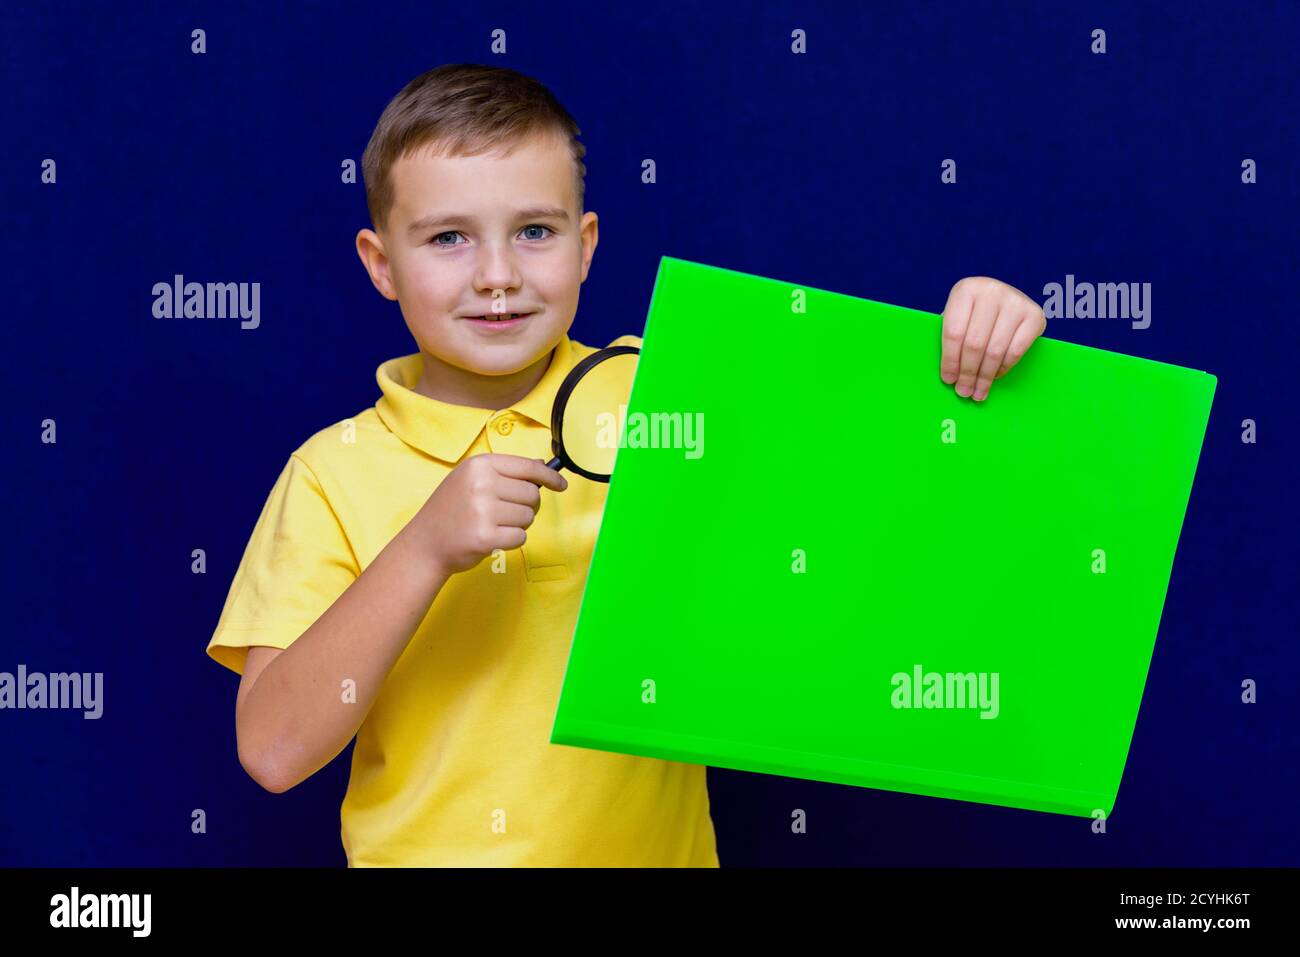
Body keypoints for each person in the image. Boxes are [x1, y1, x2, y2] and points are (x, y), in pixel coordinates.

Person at [205, 62, 1047, 867]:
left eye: (534, 231)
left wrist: (971, 337)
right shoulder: (331, 472)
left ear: (586, 244)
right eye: (449, 238)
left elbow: (875, 493)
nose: (497, 277)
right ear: (381, 263)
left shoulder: (664, 393)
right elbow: (275, 750)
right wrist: (425, 546)